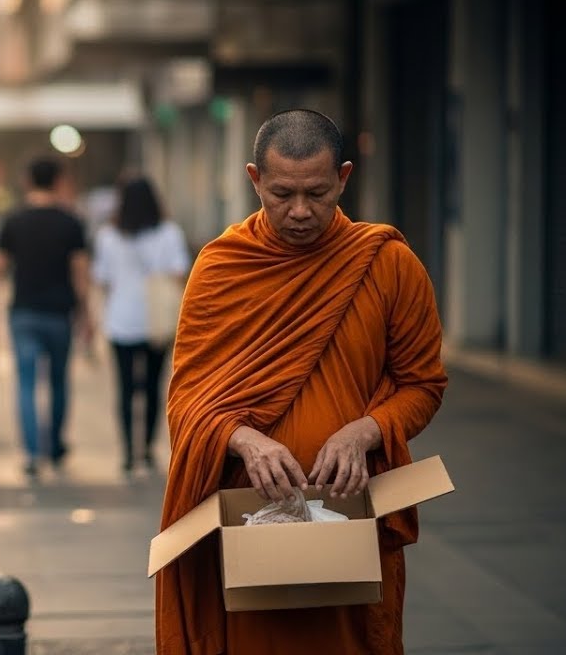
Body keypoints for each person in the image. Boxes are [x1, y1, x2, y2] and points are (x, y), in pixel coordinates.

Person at [153, 110, 448, 654]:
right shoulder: (221, 267)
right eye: (282, 193)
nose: (300, 212)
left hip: (349, 513)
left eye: (317, 193)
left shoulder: (387, 264)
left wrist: (366, 431)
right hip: (249, 519)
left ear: (344, 177)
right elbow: (187, 399)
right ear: (254, 180)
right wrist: (246, 440)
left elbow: (423, 384)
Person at [0, 156, 91, 476]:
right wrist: (86, 315)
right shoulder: (71, 223)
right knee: (58, 381)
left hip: (24, 314)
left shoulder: (13, 221)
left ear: (28, 181)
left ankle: (31, 453)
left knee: (26, 383)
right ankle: (55, 445)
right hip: (60, 315)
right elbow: (81, 273)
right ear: (58, 181)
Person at [91, 177, 191, 474]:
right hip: (156, 321)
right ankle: (146, 450)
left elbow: (103, 280)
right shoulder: (169, 233)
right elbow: (179, 274)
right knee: (151, 386)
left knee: (124, 388)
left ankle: (126, 453)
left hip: (120, 321)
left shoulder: (108, 236)